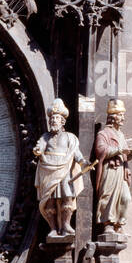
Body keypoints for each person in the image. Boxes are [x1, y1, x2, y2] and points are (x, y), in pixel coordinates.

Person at [33, 98, 85, 238]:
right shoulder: (45, 137)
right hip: (48, 170)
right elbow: (40, 147)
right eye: (52, 118)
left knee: (67, 196)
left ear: (62, 121)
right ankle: (53, 228)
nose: (53, 121)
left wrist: (82, 161)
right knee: (49, 200)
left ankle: (66, 224)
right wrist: (38, 151)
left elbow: (76, 152)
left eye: (56, 118)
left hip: (64, 169)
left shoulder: (70, 137)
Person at [94, 98, 132, 236]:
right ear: (113, 117)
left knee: (126, 198)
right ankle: (108, 224)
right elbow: (100, 150)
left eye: (123, 115)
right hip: (110, 170)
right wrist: (118, 150)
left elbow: (124, 151)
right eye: (120, 115)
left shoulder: (121, 135)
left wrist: (131, 152)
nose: (123, 118)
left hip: (121, 170)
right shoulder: (103, 134)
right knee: (109, 196)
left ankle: (119, 224)